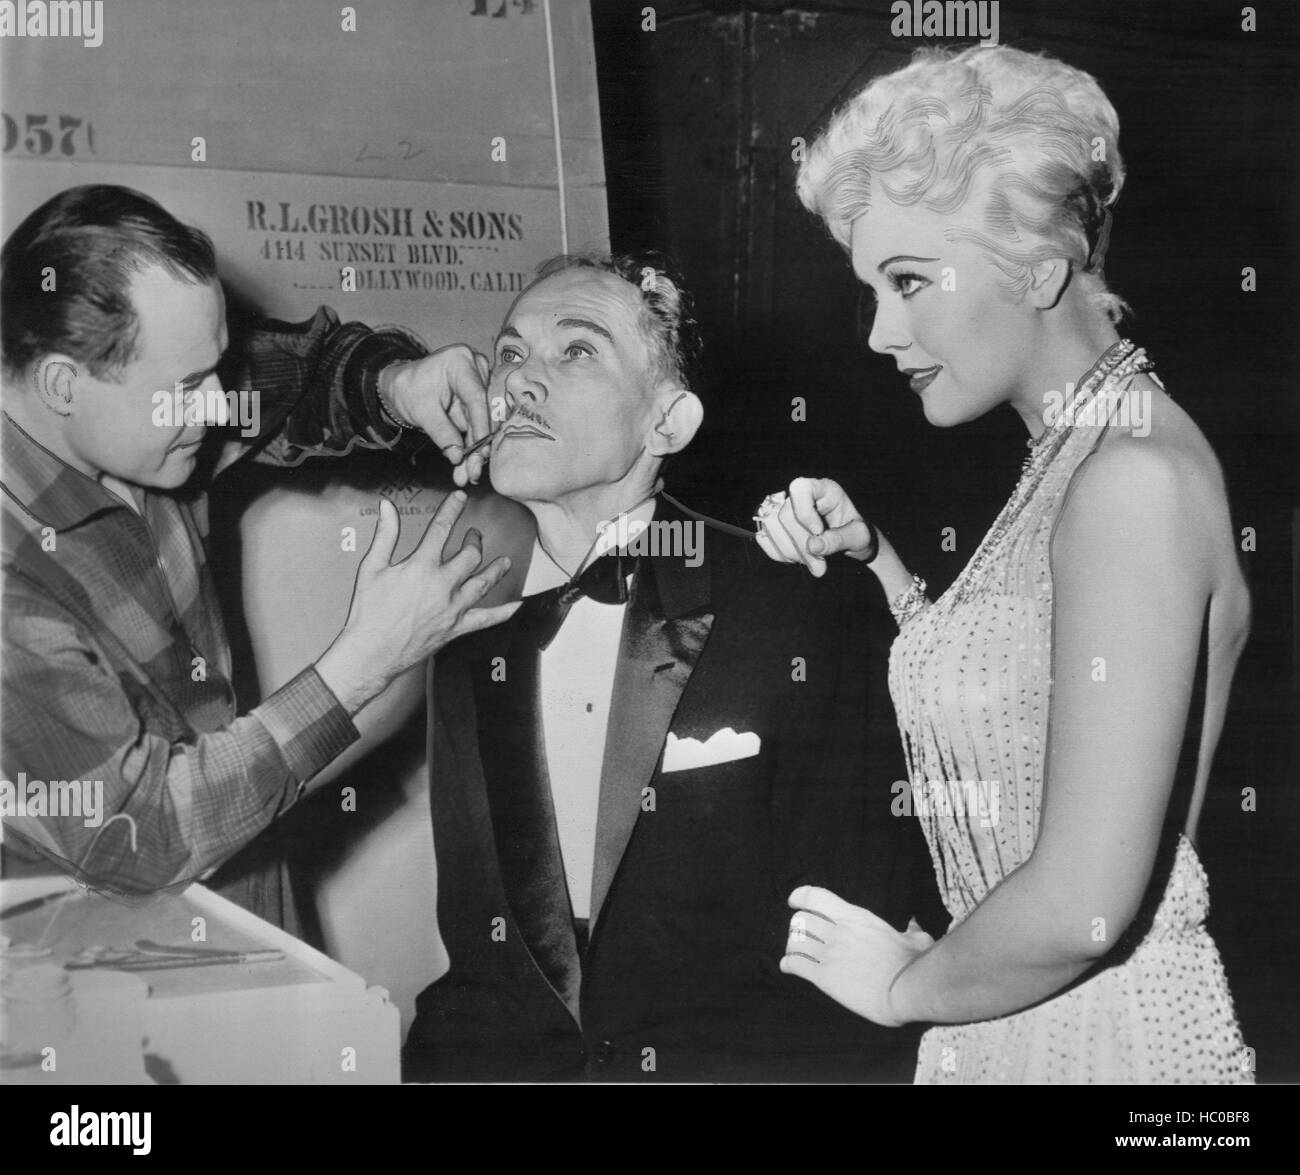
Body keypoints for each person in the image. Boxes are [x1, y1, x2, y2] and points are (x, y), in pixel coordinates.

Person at [754, 45, 1253, 1084]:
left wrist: (904, 985)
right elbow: (1027, 687)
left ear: (1037, 267)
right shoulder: (1075, 455)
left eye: (906, 283)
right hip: (1024, 1026)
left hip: (1102, 1047)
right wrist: (876, 564)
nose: (882, 335)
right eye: (871, 292)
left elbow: (1083, 905)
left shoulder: (1130, 479)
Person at [401, 253, 941, 1082]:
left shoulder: (796, 604)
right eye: (510, 354)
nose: (518, 384)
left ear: (669, 423)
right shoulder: (467, 626)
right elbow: (483, 970)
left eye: (576, 351)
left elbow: (855, 970)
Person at [0, 184, 516, 898]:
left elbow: (295, 376)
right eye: (188, 387)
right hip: (87, 948)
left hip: (247, 855)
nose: (218, 407)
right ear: (62, 383)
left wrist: (397, 384)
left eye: (214, 366)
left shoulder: (150, 410)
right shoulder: (11, 585)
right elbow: (140, 834)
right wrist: (364, 663)